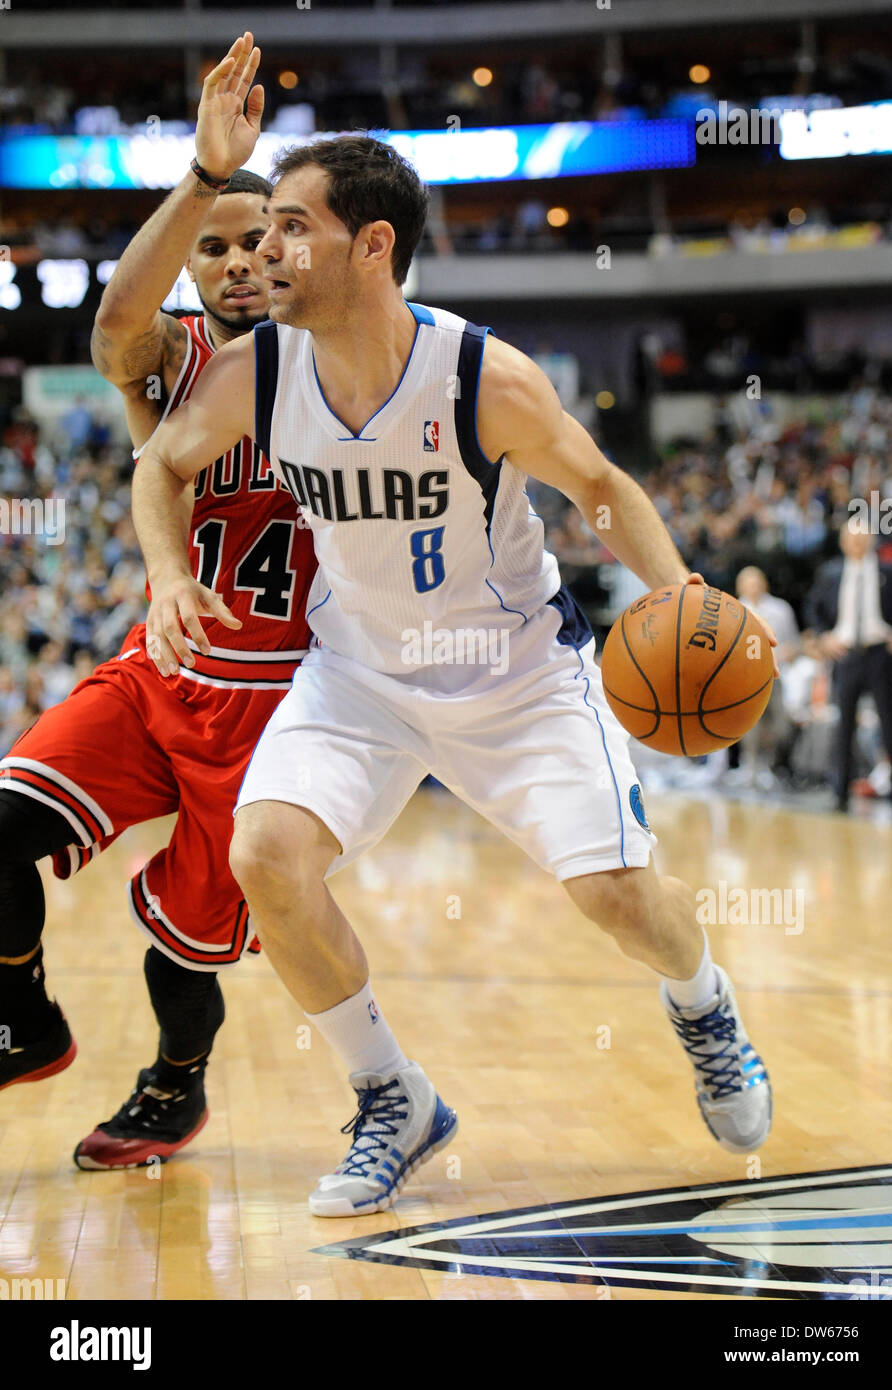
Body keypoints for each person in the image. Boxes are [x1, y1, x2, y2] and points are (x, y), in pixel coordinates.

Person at [132, 132, 776, 1218]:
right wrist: (163, 575)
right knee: (267, 856)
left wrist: (679, 594)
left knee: (618, 899)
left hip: (516, 676)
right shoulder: (263, 369)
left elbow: (600, 486)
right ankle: (393, 1095)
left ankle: (703, 1004)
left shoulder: (483, 377)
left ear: (372, 246)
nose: (263, 250)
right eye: (263, 226)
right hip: (360, 679)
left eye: (294, 226)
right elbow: (162, 464)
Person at [0, 35, 318, 1171]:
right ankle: (23, 1020)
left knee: (179, 948)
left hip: (278, 703)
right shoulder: (172, 365)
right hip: (162, 670)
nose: (237, 263)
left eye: (258, 241)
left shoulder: (350, 368)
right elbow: (110, 324)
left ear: (296, 250)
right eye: (216, 248)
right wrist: (202, 173)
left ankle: (172, 1086)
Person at [806, 524, 892, 812]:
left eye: (862, 537)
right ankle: (839, 791)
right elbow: (812, 608)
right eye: (851, 538)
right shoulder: (832, 574)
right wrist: (824, 636)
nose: (857, 542)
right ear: (843, 542)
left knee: (889, 724)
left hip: (880, 653)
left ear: (871, 540)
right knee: (844, 724)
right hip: (847, 654)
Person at [734, 566, 799, 788]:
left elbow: (793, 643)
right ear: (740, 586)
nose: (752, 587)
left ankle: (769, 766)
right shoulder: (733, 609)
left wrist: (789, 652)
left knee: (781, 726)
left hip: (775, 676)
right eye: (748, 583)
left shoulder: (781, 609)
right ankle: (750, 768)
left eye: (756, 582)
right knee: (748, 726)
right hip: (745, 679)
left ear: (764, 584)